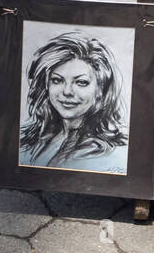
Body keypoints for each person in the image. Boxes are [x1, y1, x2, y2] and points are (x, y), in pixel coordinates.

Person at [19, 31, 128, 173]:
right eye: (57, 80)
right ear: (46, 86)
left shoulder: (110, 154)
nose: (67, 92)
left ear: (101, 90)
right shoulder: (37, 134)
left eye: (81, 82)